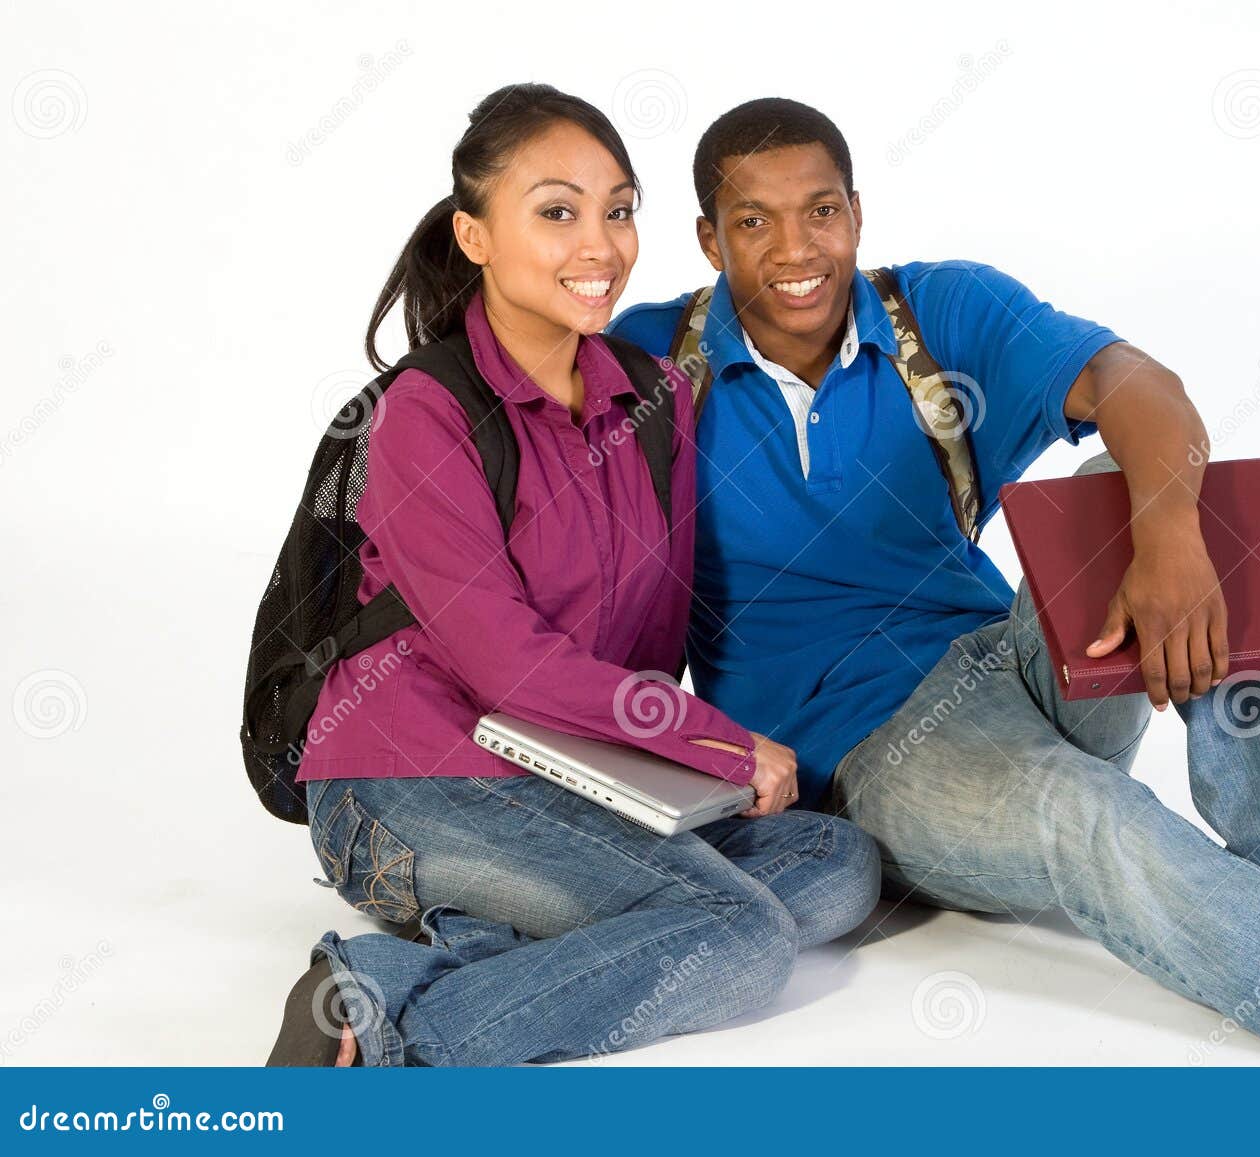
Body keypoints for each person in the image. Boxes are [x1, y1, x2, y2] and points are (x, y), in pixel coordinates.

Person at [607, 97, 1260, 1067]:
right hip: (869, 750)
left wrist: (1169, 544)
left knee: (1138, 480)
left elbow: (1139, 385)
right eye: (754, 221)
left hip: (1026, 665)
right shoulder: (647, 362)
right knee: (1091, 815)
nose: (795, 250)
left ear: (855, 214)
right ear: (707, 239)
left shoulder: (933, 309)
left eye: (819, 211)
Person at [265, 85, 880, 1067]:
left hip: (564, 774)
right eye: (556, 212)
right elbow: (505, 664)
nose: (599, 246)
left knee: (836, 860)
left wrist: (665, 774)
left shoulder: (652, 395)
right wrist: (721, 744)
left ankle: (439, 962)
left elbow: (652, 632)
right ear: (473, 234)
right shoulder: (427, 410)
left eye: (618, 209)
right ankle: (394, 1027)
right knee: (745, 936)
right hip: (408, 781)